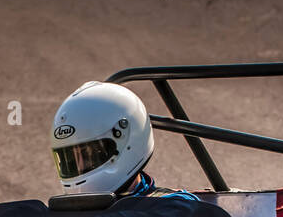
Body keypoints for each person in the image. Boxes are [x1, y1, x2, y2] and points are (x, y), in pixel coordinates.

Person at [50, 81, 197, 200]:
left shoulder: (174, 209)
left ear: (124, 140)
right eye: (70, 160)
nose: (79, 166)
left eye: (88, 155)